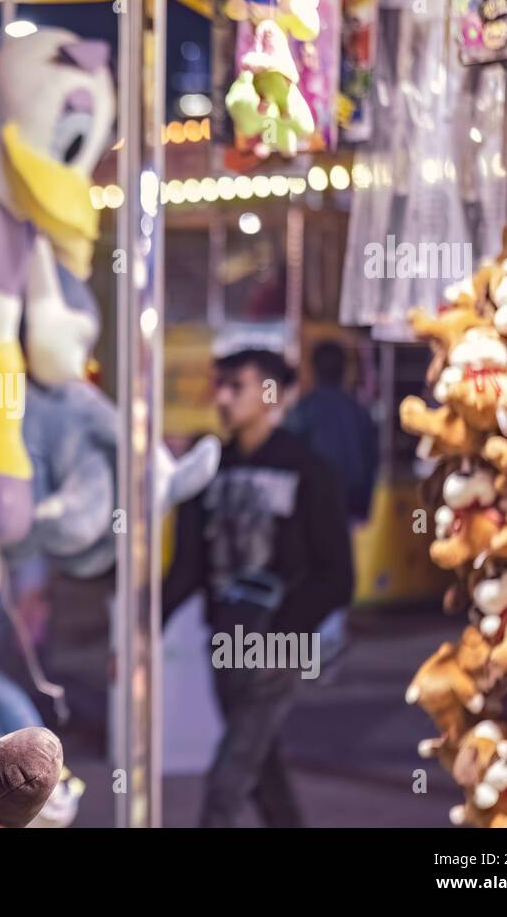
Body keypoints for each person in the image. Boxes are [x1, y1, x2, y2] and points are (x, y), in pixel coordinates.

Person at [164, 348, 354, 828]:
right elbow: (188, 565)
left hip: (276, 645)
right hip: (224, 639)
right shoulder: (210, 469)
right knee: (257, 762)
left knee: (228, 780)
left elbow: (337, 576)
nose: (223, 399)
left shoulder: (310, 470)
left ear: (270, 394)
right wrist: (147, 627)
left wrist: (283, 634)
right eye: (219, 387)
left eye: (237, 387)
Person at [284, 340, 377, 673]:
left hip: (310, 503)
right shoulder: (358, 411)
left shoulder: (304, 410)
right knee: (337, 568)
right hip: (346, 499)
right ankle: (331, 640)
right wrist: (364, 504)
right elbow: (370, 462)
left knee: (311, 568)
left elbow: (290, 456)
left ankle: (316, 644)